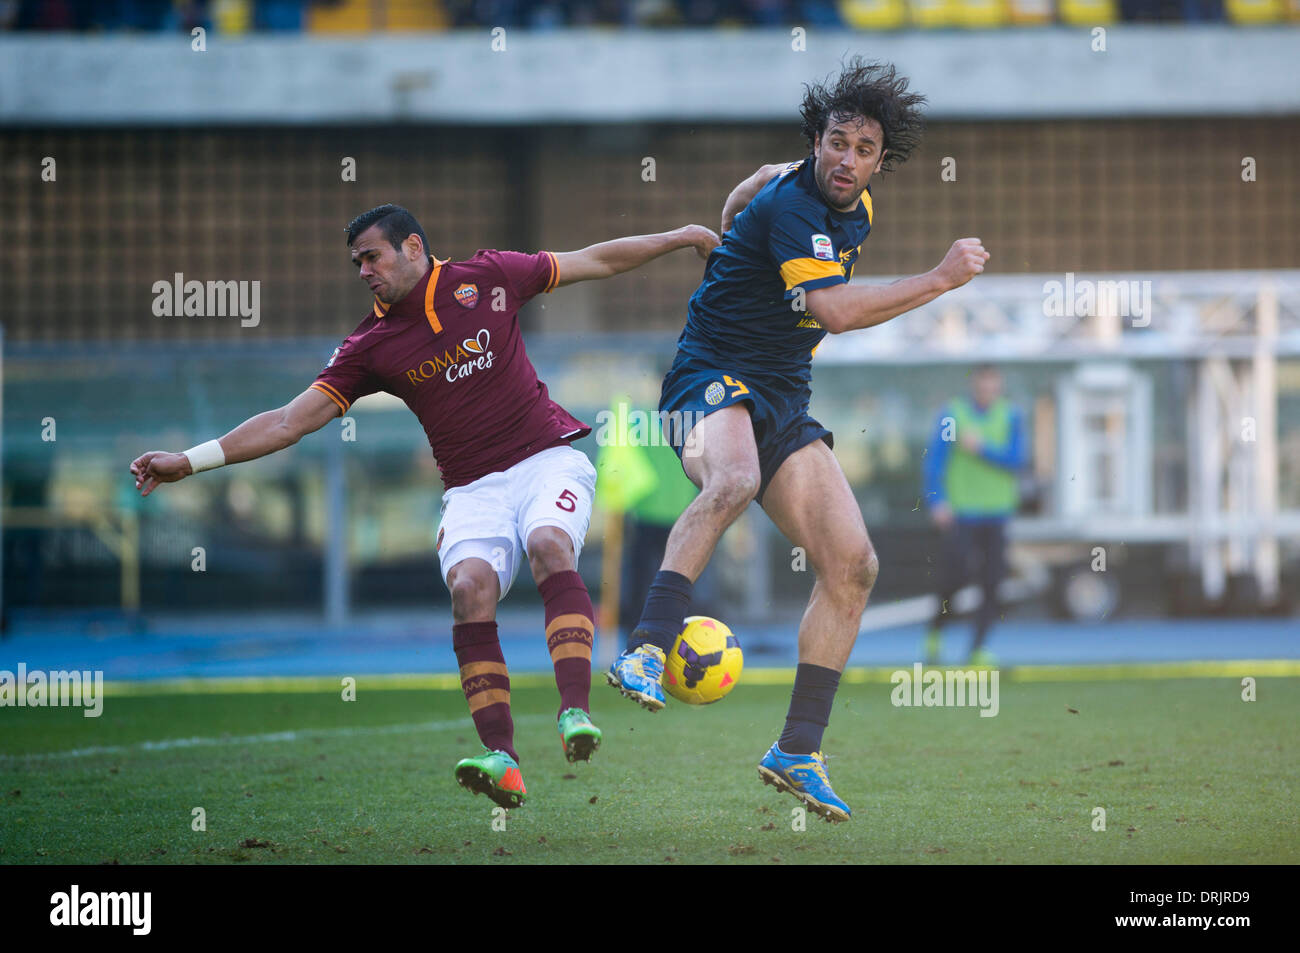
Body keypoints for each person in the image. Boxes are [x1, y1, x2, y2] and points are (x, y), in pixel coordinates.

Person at [130, 203, 719, 809]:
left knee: (549, 544)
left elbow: (594, 260)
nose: (363, 271)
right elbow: (286, 421)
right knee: (469, 589)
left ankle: (574, 712)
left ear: (413, 247)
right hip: (471, 489)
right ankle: (503, 759)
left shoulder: (489, 276)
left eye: (372, 256)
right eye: (356, 261)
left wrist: (676, 236)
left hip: (547, 458)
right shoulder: (369, 345)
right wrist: (190, 460)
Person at [606, 59, 990, 822]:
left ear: (882, 158)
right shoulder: (796, 205)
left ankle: (797, 751)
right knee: (734, 479)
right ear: (816, 142)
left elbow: (742, 196)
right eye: (837, 142)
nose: (848, 159)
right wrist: (942, 278)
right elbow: (837, 313)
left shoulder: (852, 207)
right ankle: (646, 647)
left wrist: (731, 215)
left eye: (864, 147)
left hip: (781, 393)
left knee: (854, 564)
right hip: (707, 376)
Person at [921, 364, 1027, 668]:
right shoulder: (952, 415)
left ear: (999, 386)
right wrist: (937, 500)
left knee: (992, 582)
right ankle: (935, 635)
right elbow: (935, 460)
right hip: (961, 512)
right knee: (954, 578)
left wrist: (982, 448)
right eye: (982, 385)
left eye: (993, 385)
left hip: (997, 513)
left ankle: (978, 649)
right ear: (974, 385)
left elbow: (1018, 459)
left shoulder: (1011, 415)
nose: (987, 391)